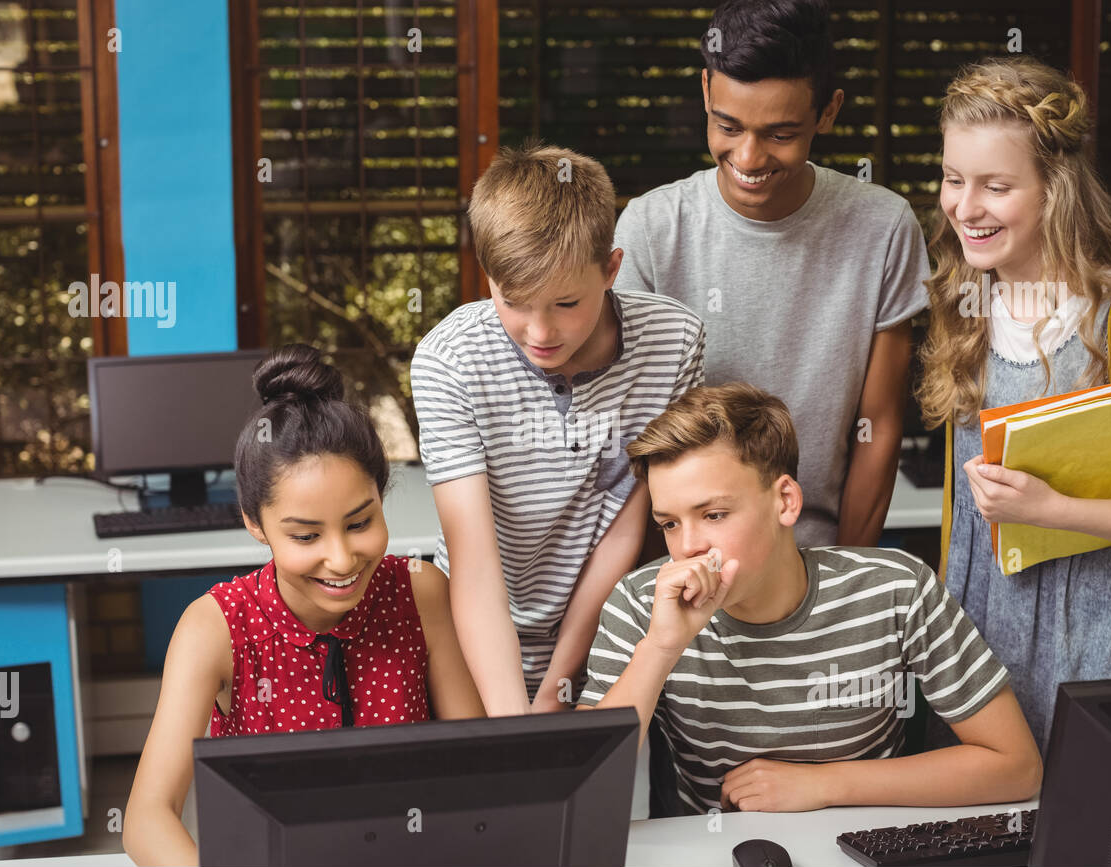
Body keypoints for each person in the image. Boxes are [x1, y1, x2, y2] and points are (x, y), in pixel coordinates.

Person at [916, 56, 1111, 752]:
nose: (965, 207)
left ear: (1057, 190)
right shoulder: (966, 306)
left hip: (1110, 648)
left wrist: (1055, 513)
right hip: (984, 647)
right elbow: (964, 522)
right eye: (953, 180)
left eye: (996, 186)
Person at [577, 383, 1041, 815]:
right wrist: (660, 649)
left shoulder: (897, 590)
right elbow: (584, 791)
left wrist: (824, 785)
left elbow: (1017, 767)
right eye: (670, 524)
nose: (689, 546)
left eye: (714, 514)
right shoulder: (642, 604)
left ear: (785, 501)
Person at [124, 344, 484, 865]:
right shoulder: (215, 627)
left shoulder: (419, 589)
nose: (341, 560)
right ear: (255, 523)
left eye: (360, 523)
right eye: (306, 536)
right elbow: (147, 816)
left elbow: (473, 767)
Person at [612, 0, 928, 548]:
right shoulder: (651, 228)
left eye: (780, 134)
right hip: (679, 565)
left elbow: (877, 431)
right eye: (728, 126)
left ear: (827, 112)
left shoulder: (883, 227)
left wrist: (847, 580)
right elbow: (630, 434)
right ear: (707, 91)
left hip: (818, 557)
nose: (749, 157)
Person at [410, 143, 705, 715]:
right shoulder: (449, 360)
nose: (540, 331)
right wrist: (516, 723)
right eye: (514, 301)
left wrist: (558, 685)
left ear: (612, 269)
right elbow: (473, 565)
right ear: (488, 275)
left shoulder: (674, 343)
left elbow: (627, 523)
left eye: (566, 303)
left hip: (606, 629)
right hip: (471, 636)